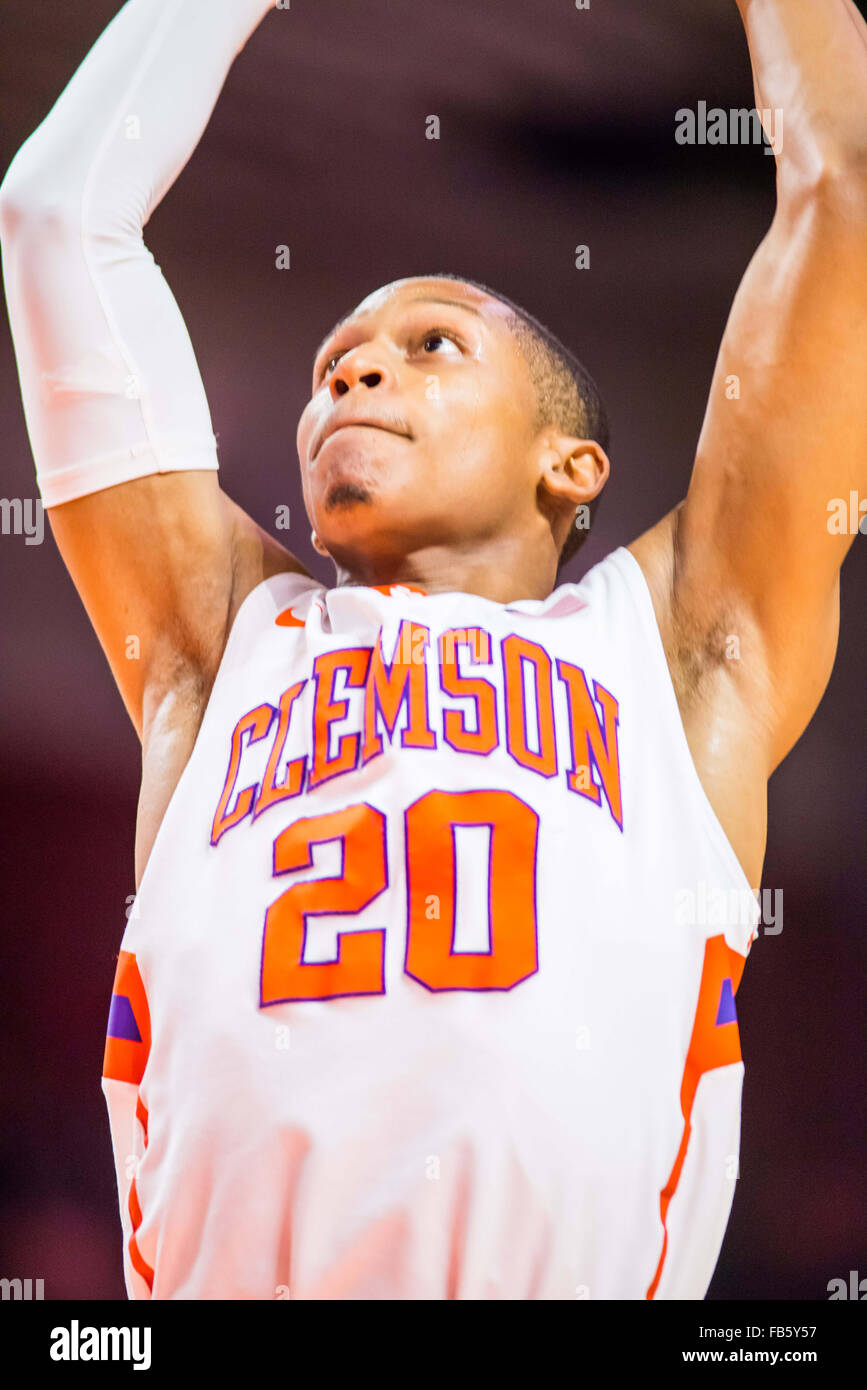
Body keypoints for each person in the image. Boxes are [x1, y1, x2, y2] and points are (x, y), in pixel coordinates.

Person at [0, 0, 864, 1300]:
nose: (351, 376)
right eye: (334, 364)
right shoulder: (221, 635)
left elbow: (844, 195)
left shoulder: (681, 648)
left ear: (567, 467)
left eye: (428, 347)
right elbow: (56, 216)